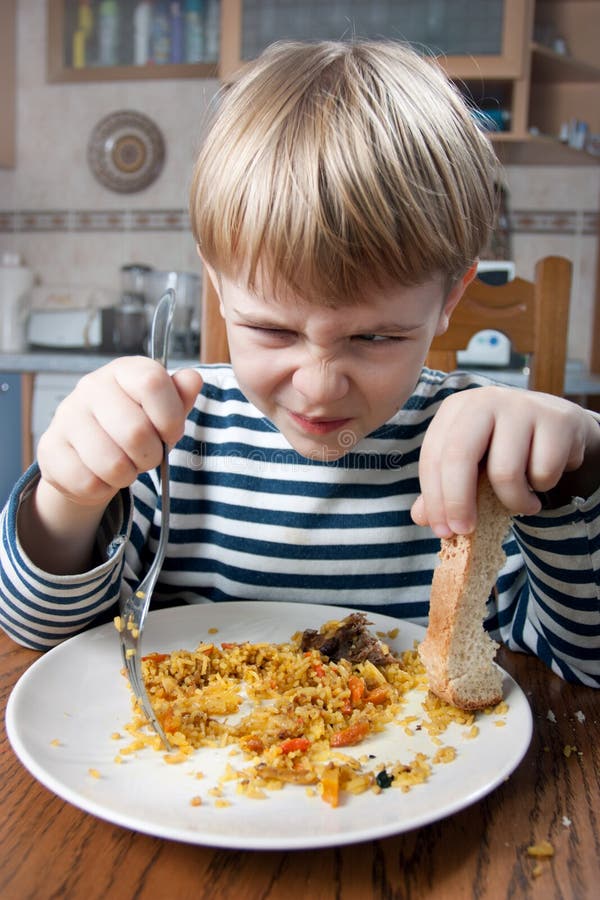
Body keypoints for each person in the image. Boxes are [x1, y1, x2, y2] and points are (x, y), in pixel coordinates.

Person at [1, 41, 598, 686]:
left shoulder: (489, 454)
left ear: (450, 298)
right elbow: (40, 631)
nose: (318, 387)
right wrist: (67, 498)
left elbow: (583, 658)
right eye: (271, 329)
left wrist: (578, 474)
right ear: (219, 286)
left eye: (375, 338)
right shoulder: (175, 439)